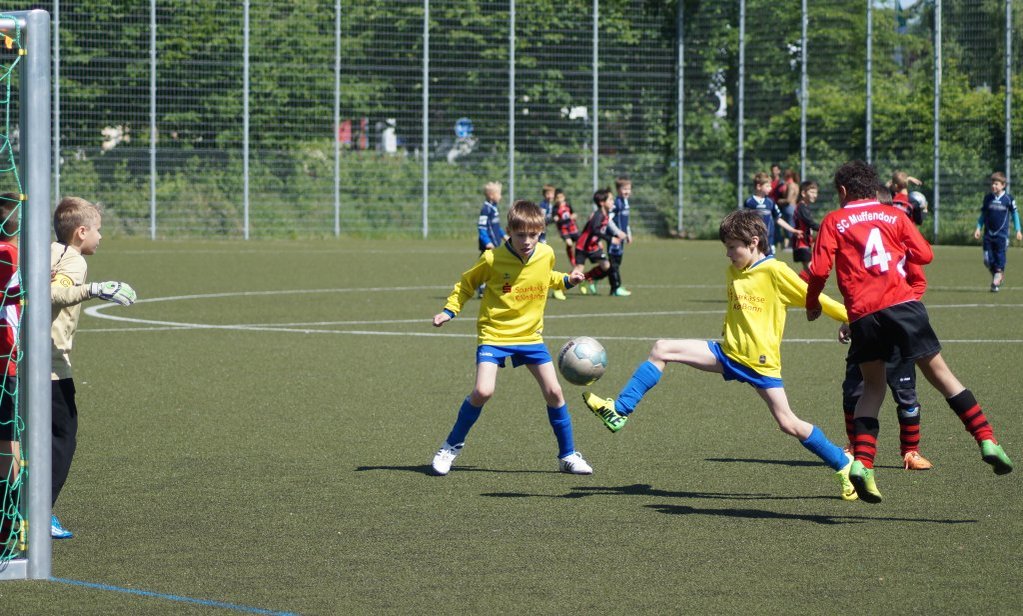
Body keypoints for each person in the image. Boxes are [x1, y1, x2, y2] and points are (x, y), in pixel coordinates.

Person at [583, 209, 858, 500]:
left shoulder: (775, 271)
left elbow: (817, 298)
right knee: (662, 348)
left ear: (753, 242)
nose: (728, 254)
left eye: (732, 247)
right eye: (725, 247)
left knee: (788, 423)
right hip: (727, 354)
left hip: (759, 364)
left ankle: (843, 465)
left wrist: (849, 318)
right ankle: (620, 412)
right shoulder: (734, 270)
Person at [806, 160, 1013, 504]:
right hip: (903, 307)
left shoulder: (834, 220)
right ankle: (987, 439)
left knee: (871, 389)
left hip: (864, 315)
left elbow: (819, 270)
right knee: (943, 376)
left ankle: (863, 464)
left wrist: (813, 303)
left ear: (842, 192)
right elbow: (925, 255)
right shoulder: (895, 215)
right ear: (874, 189)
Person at [430, 200, 592, 476]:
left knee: (555, 392)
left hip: (530, 336)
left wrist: (566, 281)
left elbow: (545, 277)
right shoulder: (492, 258)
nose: (527, 241)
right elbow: (467, 284)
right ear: (509, 231)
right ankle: (450, 447)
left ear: (541, 232)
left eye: (534, 235)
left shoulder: (546, 253)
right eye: (520, 235)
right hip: (494, 333)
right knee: (483, 391)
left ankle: (568, 456)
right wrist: (449, 310)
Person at [49, 197, 138, 538]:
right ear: (81, 232)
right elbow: (54, 293)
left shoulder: (44, 250)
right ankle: (40, 511)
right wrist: (96, 289)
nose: (101, 237)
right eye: (98, 230)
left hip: (18, 357)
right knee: (63, 436)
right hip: (50, 366)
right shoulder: (74, 262)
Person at [838, 185, 932, 472]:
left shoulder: (899, 247)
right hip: (867, 330)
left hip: (897, 330)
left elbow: (918, 283)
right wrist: (849, 319)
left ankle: (911, 452)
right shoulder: (858, 249)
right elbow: (856, 293)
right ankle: (855, 446)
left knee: (906, 394)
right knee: (853, 390)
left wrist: (897, 312)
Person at [0, 193, 20, 548]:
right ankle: (13, 521)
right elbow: (18, 292)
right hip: (6, 363)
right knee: (9, 443)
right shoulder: (10, 255)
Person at [573, 188, 627, 296]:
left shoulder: (606, 214)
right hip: (583, 246)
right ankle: (559, 287)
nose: (613, 202)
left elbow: (597, 231)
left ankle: (587, 278)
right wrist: (610, 239)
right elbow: (595, 230)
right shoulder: (598, 215)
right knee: (578, 269)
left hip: (593, 246)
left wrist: (598, 241)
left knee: (606, 265)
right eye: (610, 199)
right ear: (602, 203)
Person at [973, 171, 1020, 292]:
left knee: (1000, 259)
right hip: (988, 234)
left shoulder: (1008, 199)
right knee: (987, 260)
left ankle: (996, 280)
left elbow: (1015, 214)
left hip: (1002, 236)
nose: (993, 186)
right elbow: (983, 214)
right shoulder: (988, 198)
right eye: (992, 184)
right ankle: (997, 275)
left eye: (996, 184)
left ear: (1003, 185)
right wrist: (978, 227)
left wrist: (1018, 230)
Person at [743, 172, 801, 258]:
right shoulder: (749, 202)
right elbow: (744, 221)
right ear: (759, 186)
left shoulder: (770, 202)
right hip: (754, 240)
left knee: (769, 263)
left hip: (769, 241)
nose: (770, 188)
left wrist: (793, 230)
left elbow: (778, 219)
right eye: (768, 186)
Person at [537, 184, 565, 300]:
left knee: (544, 259)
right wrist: (553, 219)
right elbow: (541, 220)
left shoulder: (550, 205)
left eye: (552, 194)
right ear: (544, 195)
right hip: (538, 235)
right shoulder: (543, 205)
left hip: (542, 235)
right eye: (548, 194)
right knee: (545, 259)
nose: (550, 196)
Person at [608, 176, 633, 297]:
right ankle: (615, 288)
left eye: (629, 189)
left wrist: (628, 233)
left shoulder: (625, 202)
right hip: (614, 239)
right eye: (624, 189)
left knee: (617, 261)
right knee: (614, 263)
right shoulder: (616, 203)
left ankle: (594, 280)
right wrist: (617, 232)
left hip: (621, 238)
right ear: (618, 190)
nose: (627, 191)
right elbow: (608, 220)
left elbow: (625, 221)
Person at [791, 180, 820, 281]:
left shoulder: (805, 207)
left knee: (810, 268)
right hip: (801, 242)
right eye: (812, 192)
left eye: (816, 192)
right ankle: (799, 286)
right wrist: (824, 228)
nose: (815, 195)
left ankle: (803, 287)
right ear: (803, 193)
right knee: (811, 268)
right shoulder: (801, 207)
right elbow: (809, 223)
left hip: (805, 242)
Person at [552, 188, 579, 279]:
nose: (560, 199)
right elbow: (555, 218)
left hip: (572, 228)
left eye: (561, 197)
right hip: (563, 229)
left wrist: (574, 216)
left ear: (564, 197)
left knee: (580, 244)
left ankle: (578, 261)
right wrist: (556, 219)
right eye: (557, 197)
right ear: (555, 199)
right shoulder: (555, 208)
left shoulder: (568, 205)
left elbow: (574, 214)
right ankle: (573, 261)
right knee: (569, 243)